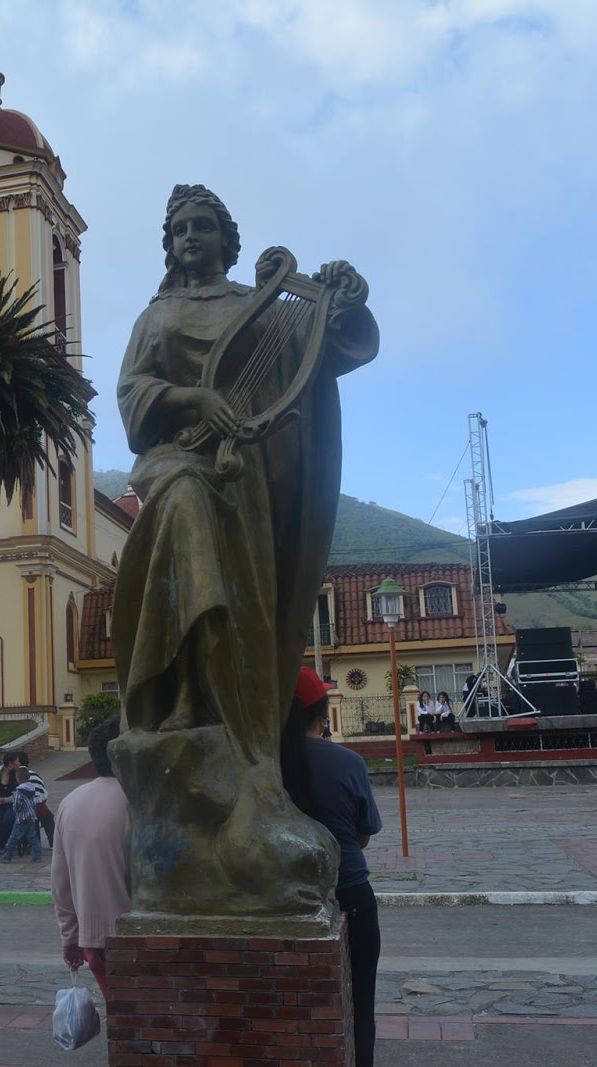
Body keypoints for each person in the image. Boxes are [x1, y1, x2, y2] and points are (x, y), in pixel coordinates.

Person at [111, 185, 378, 907]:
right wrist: (193, 399)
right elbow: (132, 395)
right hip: (178, 460)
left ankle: (245, 750)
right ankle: (185, 699)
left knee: (251, 606)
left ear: (228, 240)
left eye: (203, 226)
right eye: (179, 229)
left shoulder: (262, 306)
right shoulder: (155, 316)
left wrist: (342, 300)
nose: (190, 237)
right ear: (169, 244)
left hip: (252, 478)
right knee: (183, 501)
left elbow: (327, 353)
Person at [281, 668, 382, 1067]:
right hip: (349, 890)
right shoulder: (348, 762)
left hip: (286, 895)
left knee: (297, 999)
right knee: (361, 999)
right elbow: (363, 835)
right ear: (323, 713)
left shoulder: (267, 766)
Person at [52, 714, 129, 1002]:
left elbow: (61, 883)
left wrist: (70, 937)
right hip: (145, 936)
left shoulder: (70, 802)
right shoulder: (143, 801)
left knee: (119, 1011)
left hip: (95, 939)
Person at [0, 767, 43, 863]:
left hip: (21, 818)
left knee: (14, 837)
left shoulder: (19, 791)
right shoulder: (31, 789)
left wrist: (15, 809)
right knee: (32, 836)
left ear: (18, 779)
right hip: (31, 816)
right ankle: (38, 854)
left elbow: (17, 804)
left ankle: (7, 856)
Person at [14, 749, 56, 846]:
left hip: (29, 809)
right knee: (49, 819)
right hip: (41, 805)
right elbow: (43, 791)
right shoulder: (35, 774)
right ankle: (53, 843)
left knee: (33, 822)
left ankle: (35, 844)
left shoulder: (17, 775)